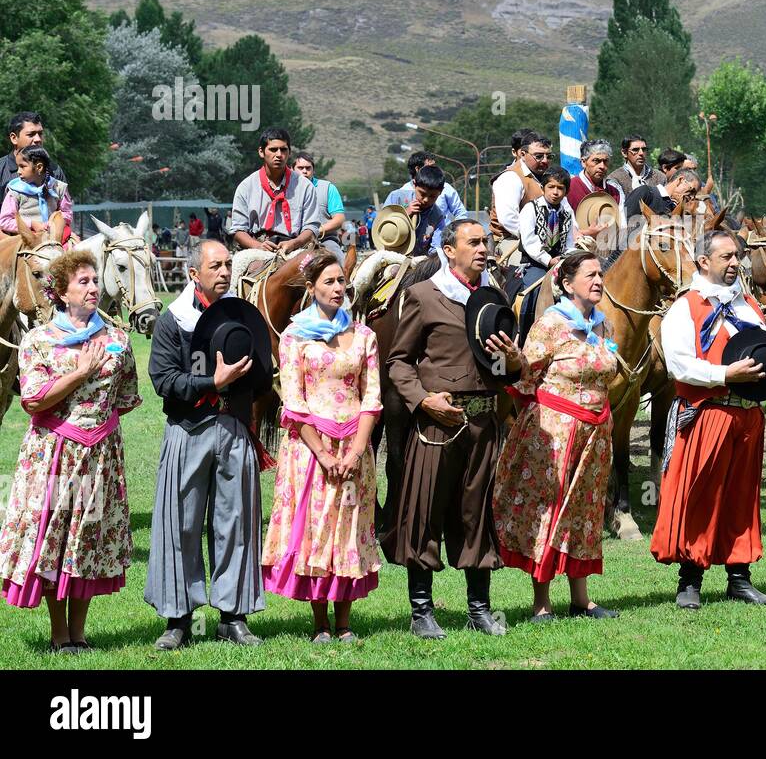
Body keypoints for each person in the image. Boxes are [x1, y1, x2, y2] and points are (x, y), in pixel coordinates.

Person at [381, 218, 524, 638]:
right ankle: (421, 611)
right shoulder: (423, 296)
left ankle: (479, 609)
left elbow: (500, 371)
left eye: (486, 242)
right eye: (473, 242)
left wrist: (513, 361)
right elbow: (399, 362)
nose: (483, 248)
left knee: (475, 514)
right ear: (448, 249)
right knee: (424, 513)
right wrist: (423, 399)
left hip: (482, 423)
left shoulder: (494, 299)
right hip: (435, 424)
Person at [0, 250, 141, 651]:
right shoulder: (38, 340)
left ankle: (79, 634)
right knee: (54, 540)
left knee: (88, 540)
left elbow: (126, 396)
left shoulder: (117, 339)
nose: (94, 287)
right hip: (52, 455)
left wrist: (99, 428)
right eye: (83, 282)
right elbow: (33, 399)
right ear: (61, 293)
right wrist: (80, 373)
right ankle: (58, 634)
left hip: (101, 456)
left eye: (95, 280)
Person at [144, 240, 270, 649]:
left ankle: (233, 616)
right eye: (216, 265)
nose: (225, 271)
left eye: (228, 264)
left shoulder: (243, 317)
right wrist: (211, 383)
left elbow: (264, 372)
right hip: (189, 429)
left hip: (234, 429)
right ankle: (179, 620)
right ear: (194, 273)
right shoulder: (172, 320)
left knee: (234, 522)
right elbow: (164, 380)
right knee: (181, 523)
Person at [650, 229, 766, 609]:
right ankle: (690, 580)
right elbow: (680, 366)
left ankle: (739, 577)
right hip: (707, 414)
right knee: (701, 497)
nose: (736, 263)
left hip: (748, 414)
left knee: (741, 497)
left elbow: (765, 347)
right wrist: (724, 376)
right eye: (727, 257)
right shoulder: (685, 307)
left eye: (737, 256)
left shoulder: (747, 305)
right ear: (704, 261)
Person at [494, 251, 620, 621]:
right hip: (556, 431)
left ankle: (581, 599)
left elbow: (607, 369)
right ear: (567, 284)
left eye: (600, 274)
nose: (598, 281)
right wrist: (513, 358)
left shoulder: (603, 326)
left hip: (594, 435)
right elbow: (524, 373)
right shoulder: (551, 324)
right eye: (590, 275)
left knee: (585, 510)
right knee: (548, 509)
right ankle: (542, 602)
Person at [262, 253, 383, 641]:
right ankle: (319, 623)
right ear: (311, 288)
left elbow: (372, 397)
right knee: (318, 528)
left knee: (349, 527)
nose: (337, 289)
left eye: (341, 281)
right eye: (329, 282)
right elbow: (293, 402)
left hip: (353, 445)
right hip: (310, 447)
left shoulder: (364, 335)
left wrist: (355, 450)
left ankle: (344, 620)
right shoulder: (295, 336)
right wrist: (325, 453)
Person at [230, 127, 320, 254]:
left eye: (283, 150)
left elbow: (311, 227)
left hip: (297, 248)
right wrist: (257, 246)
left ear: (289, 153)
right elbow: (238, 230)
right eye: (273, 149)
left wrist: (294, 243)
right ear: (261, 152)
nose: (279, 155)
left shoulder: (305, 186)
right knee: (237, 268)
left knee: (324, 268)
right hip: (256, 247)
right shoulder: (246, 187)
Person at [517, 167, 577, 338]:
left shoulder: (567, 212)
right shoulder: (531, 208)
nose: (555, 192)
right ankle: (525, 334)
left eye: (560, 188)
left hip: (561, 263)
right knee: (532, 293)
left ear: (566, 191)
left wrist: (570, 256)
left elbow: (569, 243)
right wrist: (548, 260)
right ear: (543, 188)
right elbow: (529, 240)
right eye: (551, 187)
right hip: (535, 263)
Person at [489, 132, 550, 259]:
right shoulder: (510, 178)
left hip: (546, 239)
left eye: (549, 156)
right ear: (522, 154)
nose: (545, 161)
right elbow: (509, 220)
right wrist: (537, 238)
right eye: (539, 156)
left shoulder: (548, 178)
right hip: (510, 242)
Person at [0, 145, 72, 244]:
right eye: (18, 167)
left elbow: (67, 213)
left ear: (39, 167)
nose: (18, 171)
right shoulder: (15, 191)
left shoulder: (58, 188)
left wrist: (55, 222)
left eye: (22, 166)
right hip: (25, 241)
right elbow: (4, 221)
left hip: (55, 238)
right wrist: (31, 224)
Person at [293, 151, 346, 261]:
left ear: (313, 170)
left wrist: (316, 231)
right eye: (300, 168)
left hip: (324, 241)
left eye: (308, 168)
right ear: (292, 169)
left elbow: (339, 219)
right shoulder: (286, 190)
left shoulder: (327, 188)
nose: (304, 171)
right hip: (292, 242)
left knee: (340, 262)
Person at [409, 164, 468, 261]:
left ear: (440, 192)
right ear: (414, 185)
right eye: (422, 194)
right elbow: (381, 225)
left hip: (419, 261)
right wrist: (405, 214)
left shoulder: (438, 217)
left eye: (432, 196)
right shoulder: (397, 198)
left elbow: (435, 248)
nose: (426, 200)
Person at [0, 112, 67, 188]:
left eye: (40, 133)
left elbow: (64, 198)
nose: (38, 139)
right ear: (14, 138)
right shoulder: (2, 169)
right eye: (31, 134)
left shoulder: (54, 170)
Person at [567, 138, 623, 211]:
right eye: (596, 161)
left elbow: (622, 220)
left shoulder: (615, 193)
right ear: (583, 162)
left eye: (605, 161)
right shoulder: (570, 187)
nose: (602, 166)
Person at [624, 168, 700, 219]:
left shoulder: (677, 210)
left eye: (694, 194)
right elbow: (624, 222)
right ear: (680, 180)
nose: (692, 197)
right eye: (691, 191)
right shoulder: (646, 192)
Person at [606, 134, 665, 199]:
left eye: (644, 149)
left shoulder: (660, 177)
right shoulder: (615, 179)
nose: (641, 153)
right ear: (624, 153)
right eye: (635, 150)